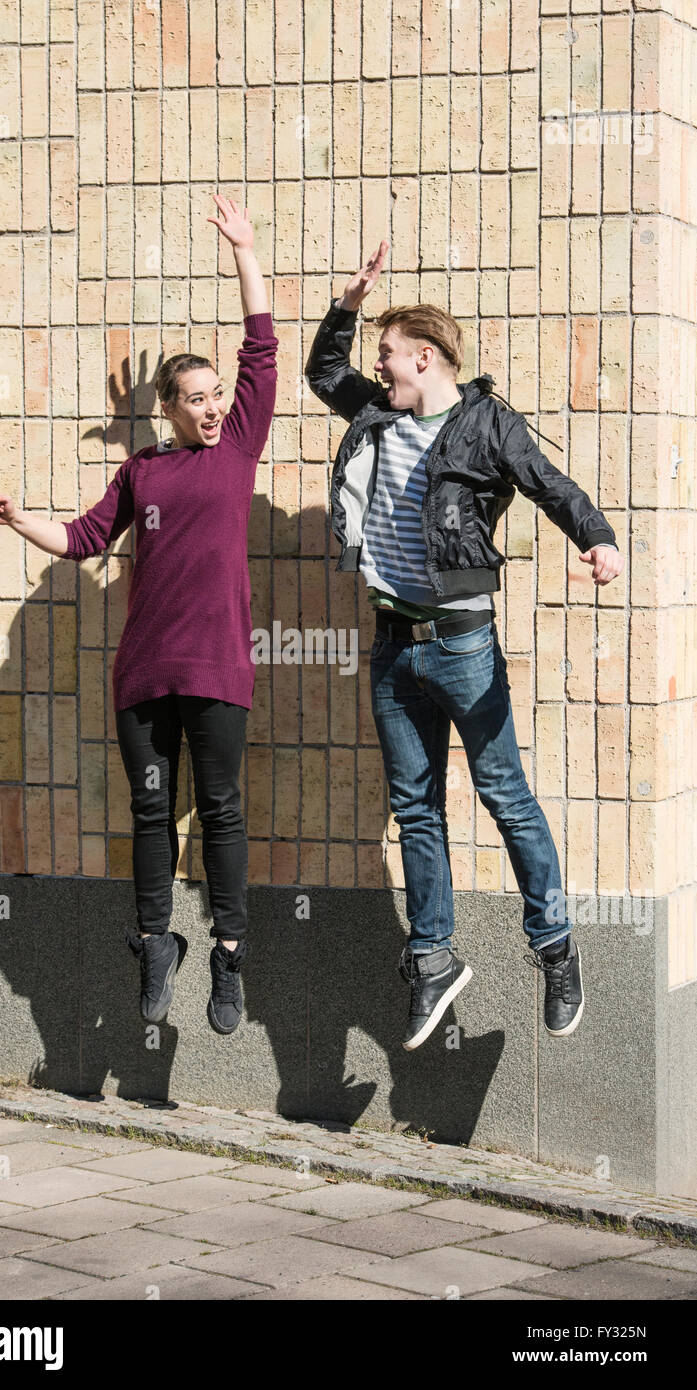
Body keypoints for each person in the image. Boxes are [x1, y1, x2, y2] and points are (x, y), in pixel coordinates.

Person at [305, 240, 623, 1052]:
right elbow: (321, 375)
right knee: (415, 805)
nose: (377, 370)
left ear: (425, 357)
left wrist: (596, 540)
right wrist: (346, 305)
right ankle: (433, 958)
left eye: (387, 355)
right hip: (389, 643)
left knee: (502, 792)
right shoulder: (376, 414)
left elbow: (551, 485)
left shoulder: (485, 424)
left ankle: (554, 948)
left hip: (460, 642)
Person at [0, 194, 278, 1037]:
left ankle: (228, 958)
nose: (215, 405)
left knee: (218, 811)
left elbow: (262, 346)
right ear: (168, 406)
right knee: (152, 812)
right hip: (143, 678)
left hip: (218, 670)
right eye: (197, 397)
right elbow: (80, 539)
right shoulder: (143, 472)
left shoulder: (238, 449)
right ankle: (154, 942)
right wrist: (16, 520)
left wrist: (244, 253)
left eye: (219, 393)